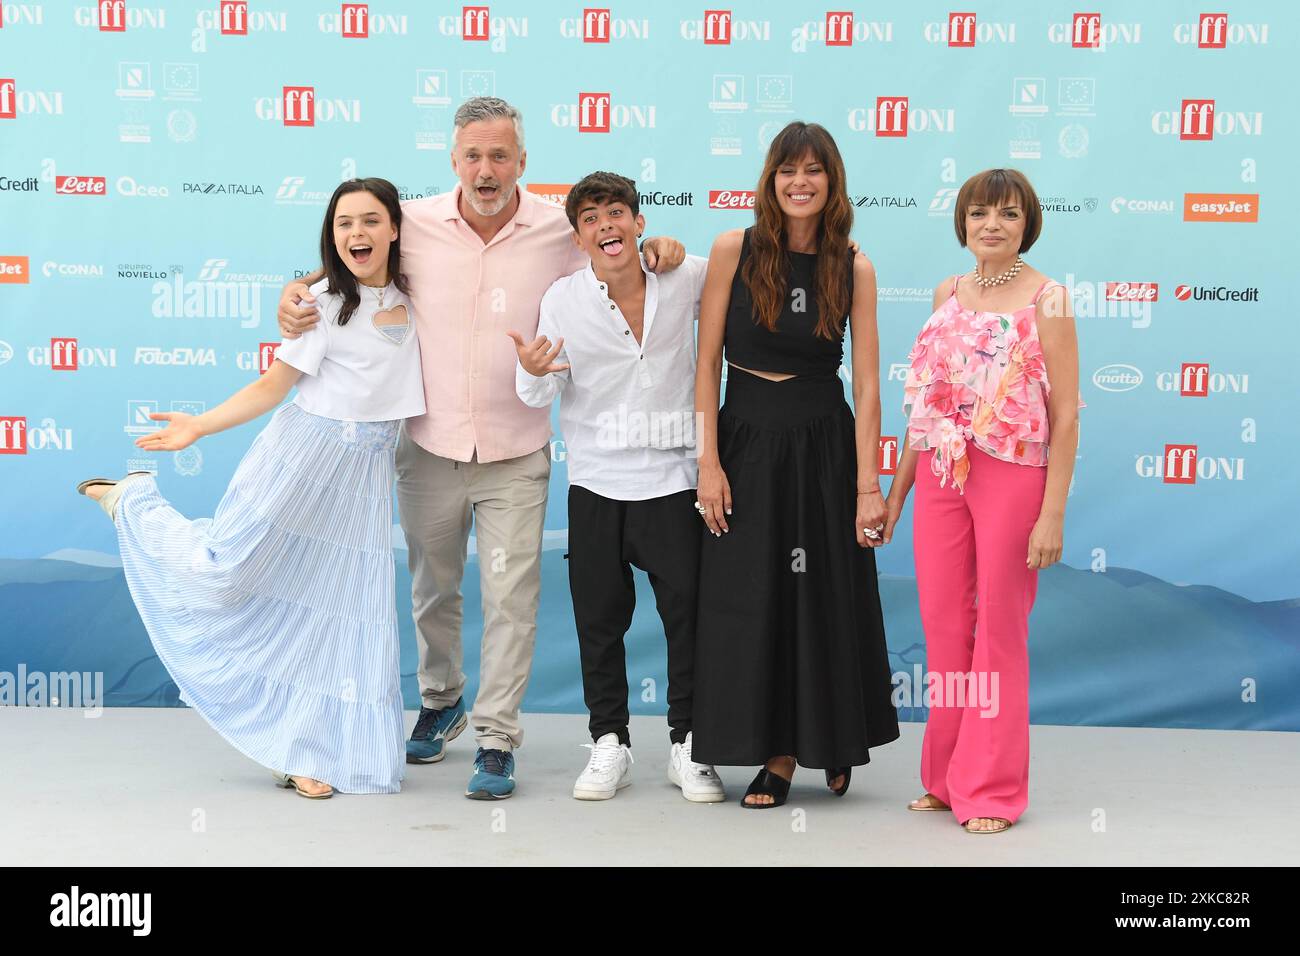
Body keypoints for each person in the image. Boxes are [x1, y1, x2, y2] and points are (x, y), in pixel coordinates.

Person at [277, 97, 684, 800]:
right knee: (433, 589)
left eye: (501, 156)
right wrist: (297, 291)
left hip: (516, 452)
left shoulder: (562, 229)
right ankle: (441, 700)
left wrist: (660, 250)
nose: (486, 170)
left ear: (523, 162)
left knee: (511, 599)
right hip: (428, 445)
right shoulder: (415, 224)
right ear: (454, 160)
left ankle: (497, 738)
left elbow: (618, 251)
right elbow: (356, 262)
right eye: (473, 155)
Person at [77, 178, 422, 798]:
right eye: (344, 223)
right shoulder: (317, 302)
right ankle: (133, 501)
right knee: (225, 571)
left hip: (364, 479)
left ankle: (307, 750)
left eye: (371, 221)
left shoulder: (420, 293)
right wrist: (198, 427)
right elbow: (271, 387)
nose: (356, 234)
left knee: (346, 613)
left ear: (396, 228)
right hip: (300, 457)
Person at [691, 121, 900, 809]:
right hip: (746, 440)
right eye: (788, 169)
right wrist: (709, 461)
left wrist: (868, 484)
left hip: (822, 447)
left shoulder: (854, 266)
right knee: (755, 598)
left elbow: (868, 385)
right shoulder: (734, 248)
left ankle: (833, 740)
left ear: (832, 182)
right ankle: (778, 752)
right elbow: (705, 364)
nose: (800, 182)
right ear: (771, 178)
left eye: (814, 170)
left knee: (823, 597)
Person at [513, 171, 724, 803]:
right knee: (598, 623)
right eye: (591, 219)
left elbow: (750, 273)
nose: (606, 225)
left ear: (638, 222)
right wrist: (530, 371)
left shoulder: (685, 276)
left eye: (616, 213)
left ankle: (688, 745)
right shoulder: (562, 299)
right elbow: (539, 391)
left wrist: (680, 248)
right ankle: (610, 743)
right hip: (598, 484)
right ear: (578, 237)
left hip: (674, 480)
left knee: (687, 620)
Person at [883, 168, 1081, 834]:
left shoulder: (1048, 299)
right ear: (962, 222)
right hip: (942, 471)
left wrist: (1052, 511)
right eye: (978, 213)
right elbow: (926, 403)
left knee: (998, 627)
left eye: (1006, 213)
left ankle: (992, 790)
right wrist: (897, 493)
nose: (990, 224)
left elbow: (1066, 415)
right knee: (943, 625)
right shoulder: (948, 291)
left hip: (1014, 472)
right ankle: (944, 777)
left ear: (1028, 223)